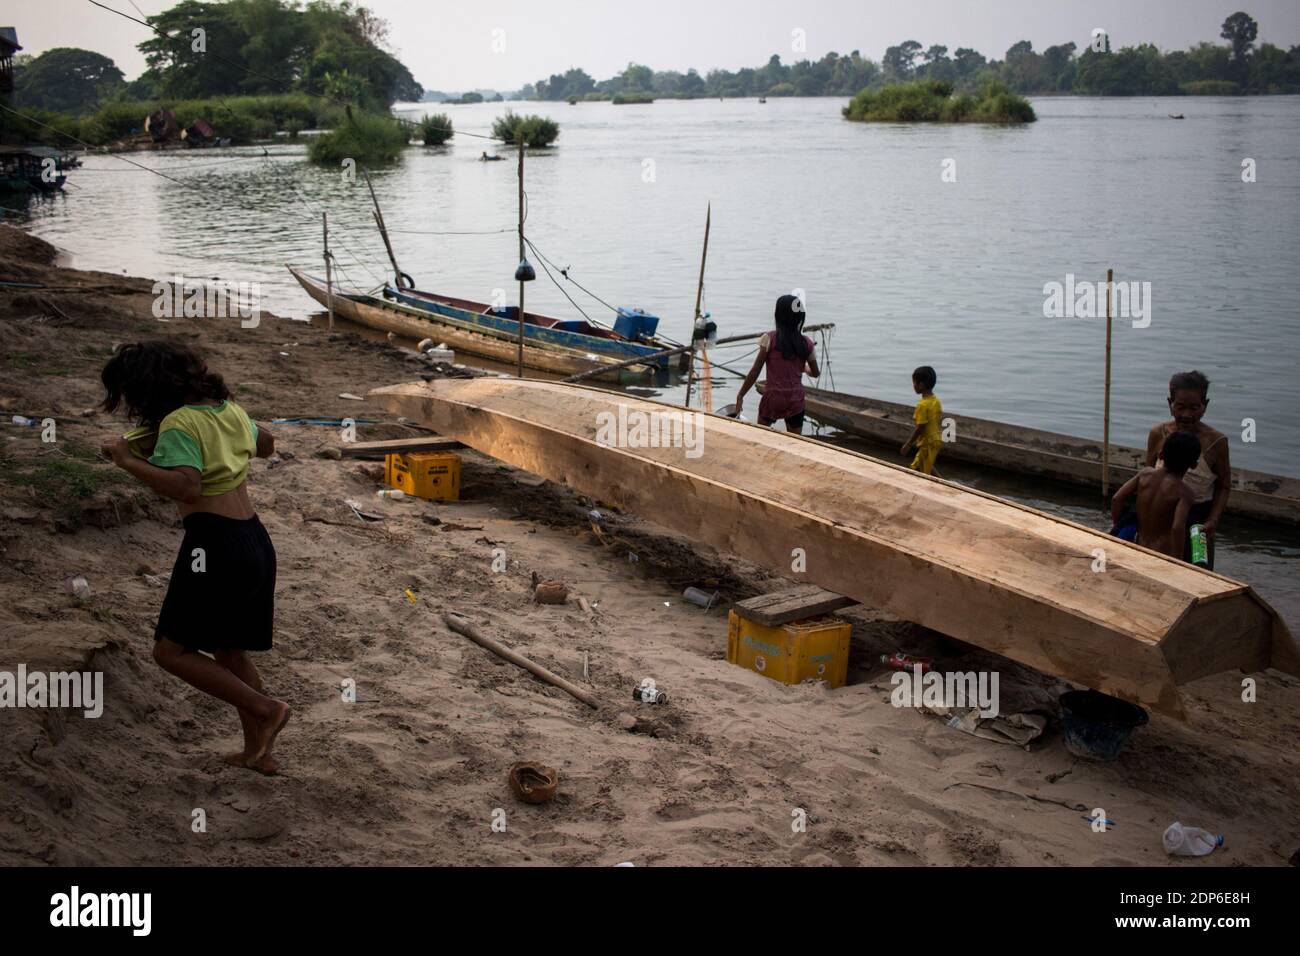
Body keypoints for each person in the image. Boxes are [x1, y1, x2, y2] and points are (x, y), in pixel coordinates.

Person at [99, 343, 289, 774]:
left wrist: (128, 461)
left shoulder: (178, 423)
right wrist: (229, 427)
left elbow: (186, 487)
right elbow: (267, 445)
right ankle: (259, 752)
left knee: (170, 653)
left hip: (214, 546)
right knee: (230, 653)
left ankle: (266, 708)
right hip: (254, 541)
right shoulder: (226, 410)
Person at [1144, 370, 1230, 569]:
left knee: (1199, 574)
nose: (1186, 415)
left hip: (1198, 524)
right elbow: (1148, 475)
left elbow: (1224, 486)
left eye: (1194, 408)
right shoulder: (1159, 433)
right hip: (1159, 518)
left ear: (1205, 406)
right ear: (1170, 404)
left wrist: (1212, 520)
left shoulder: (1216, 442)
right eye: (1180, 407)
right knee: (1154, 571)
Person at [734, 294, 820, 433]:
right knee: (795, 442)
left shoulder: (769, 339)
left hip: (773, 398)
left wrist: (741, 395)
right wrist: (804, 368)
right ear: (800, 317)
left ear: (778, 316)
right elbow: (816, 373)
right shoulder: (807, 344)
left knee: (763, 437)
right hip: (795, 399)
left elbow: (755, 371)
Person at [1111, 431, 1201, 560]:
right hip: (1163, 552)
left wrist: (1117, 525)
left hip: (1138, 543)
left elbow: (1116, 499)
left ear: (1161, 454)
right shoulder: (1185, 493)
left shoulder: (1145, 474)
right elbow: (1177, 527)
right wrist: (1178, 559)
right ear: (1194, 465)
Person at [900, 366, 943, 475]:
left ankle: (943, 487)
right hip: (936, 439)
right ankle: (945, 483)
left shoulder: (922, 405)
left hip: (927, 442)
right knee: (922, 464)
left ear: (921, 385)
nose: (913, 386)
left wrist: (908, 444)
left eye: (914, 383)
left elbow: (920, 427)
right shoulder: (936, 400)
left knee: (924, 472)